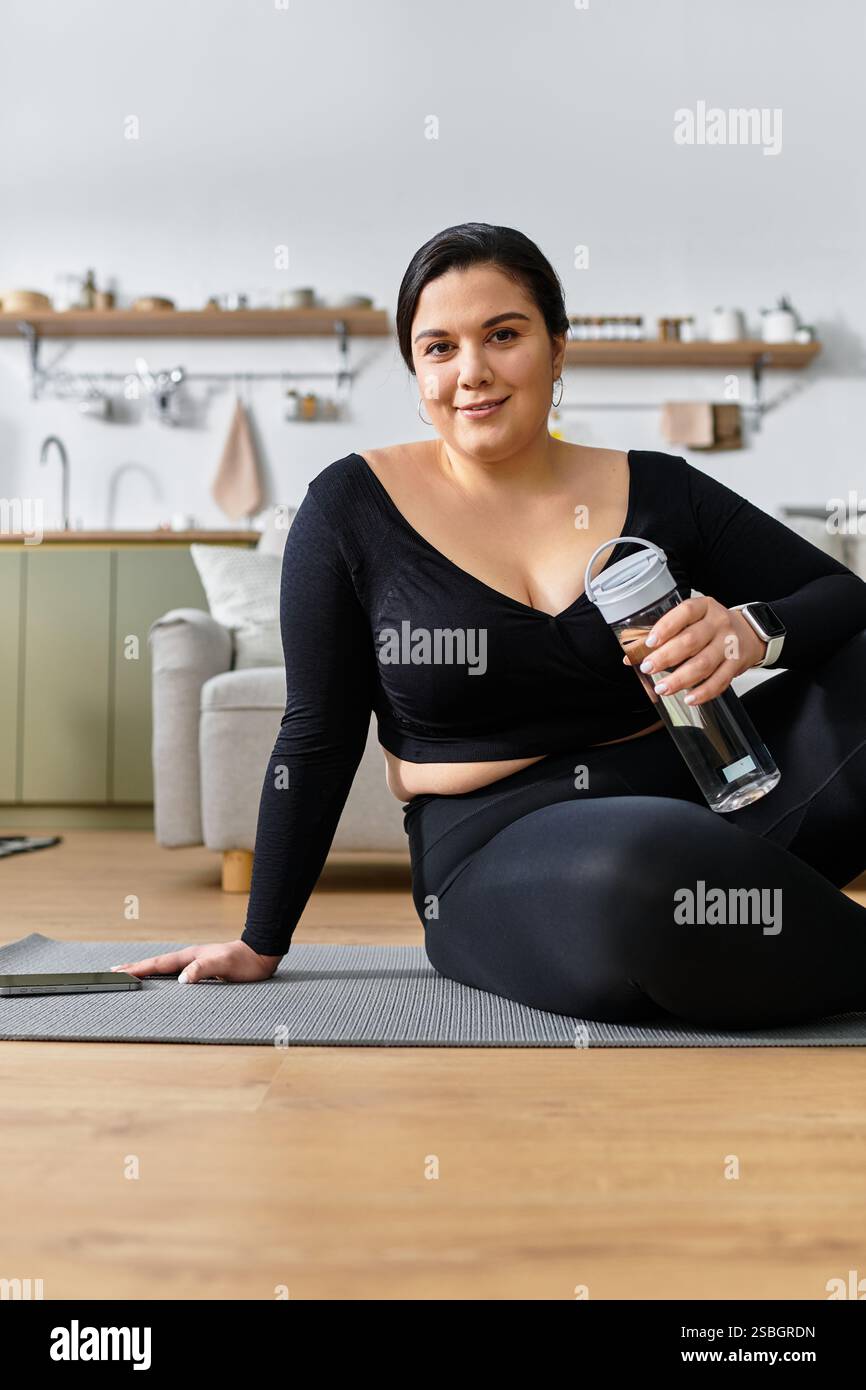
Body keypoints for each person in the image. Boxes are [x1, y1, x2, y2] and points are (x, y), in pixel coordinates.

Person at [114, 223, 866, 1029]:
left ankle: (772, 926)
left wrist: (753, 633)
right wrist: (262, 941)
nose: (471, 373)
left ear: (557, 349)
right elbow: (317, 736)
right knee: (653, 873)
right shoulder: (350, 508)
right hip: (509, 850)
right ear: (415, 372)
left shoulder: (659, 488)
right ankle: (784, 927)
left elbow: (844, 595)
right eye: (438, 348)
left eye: (503, 335)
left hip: (717, 794)